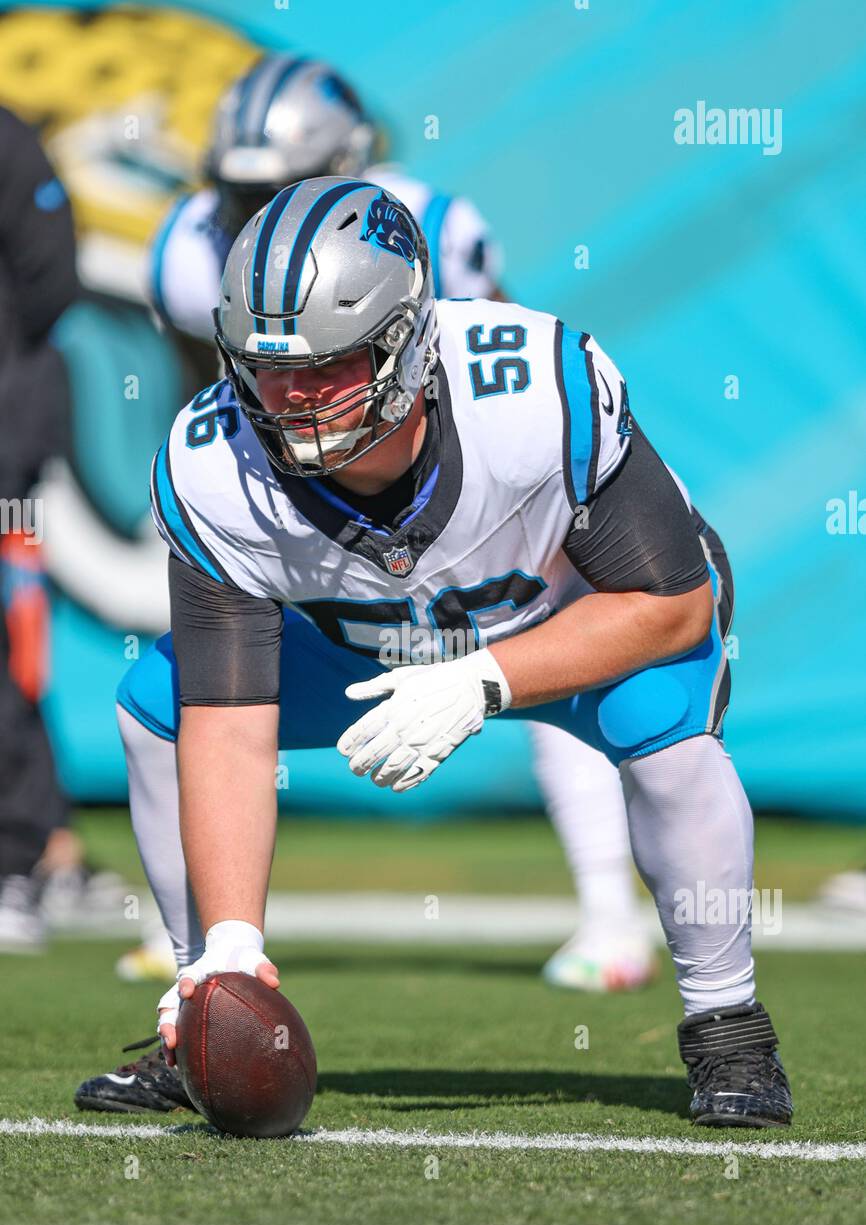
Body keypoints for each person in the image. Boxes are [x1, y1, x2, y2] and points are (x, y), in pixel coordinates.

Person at [90, 178, 792, 1129]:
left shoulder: (536, 387)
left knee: (664, 733)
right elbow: (228, 719)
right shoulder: (213, 464)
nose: (291, 400)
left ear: (408, 341)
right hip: (370, 644)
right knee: (157, 706)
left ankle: (728, 1028)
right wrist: (228, 943)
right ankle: (204, 1009)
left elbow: (673, 606)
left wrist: (485, 680)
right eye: (266, 367)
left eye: (327, 369)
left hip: (567, 626)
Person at [111, 51, 651, 1001]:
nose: (262, 215)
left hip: (468, 491)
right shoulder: (188, 248)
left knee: (567, 636)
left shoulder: (429, 229)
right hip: (307, 497)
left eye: (278, 187)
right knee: (179, 694)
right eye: (242, 193)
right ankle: (210, 950)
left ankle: (611, 910)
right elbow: (233, 393)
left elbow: (458, 389)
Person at [0, 107, 78, 952]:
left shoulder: (7, 139)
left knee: (10, 642)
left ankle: (19, 857)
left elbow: (51, 280)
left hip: (4, 434)